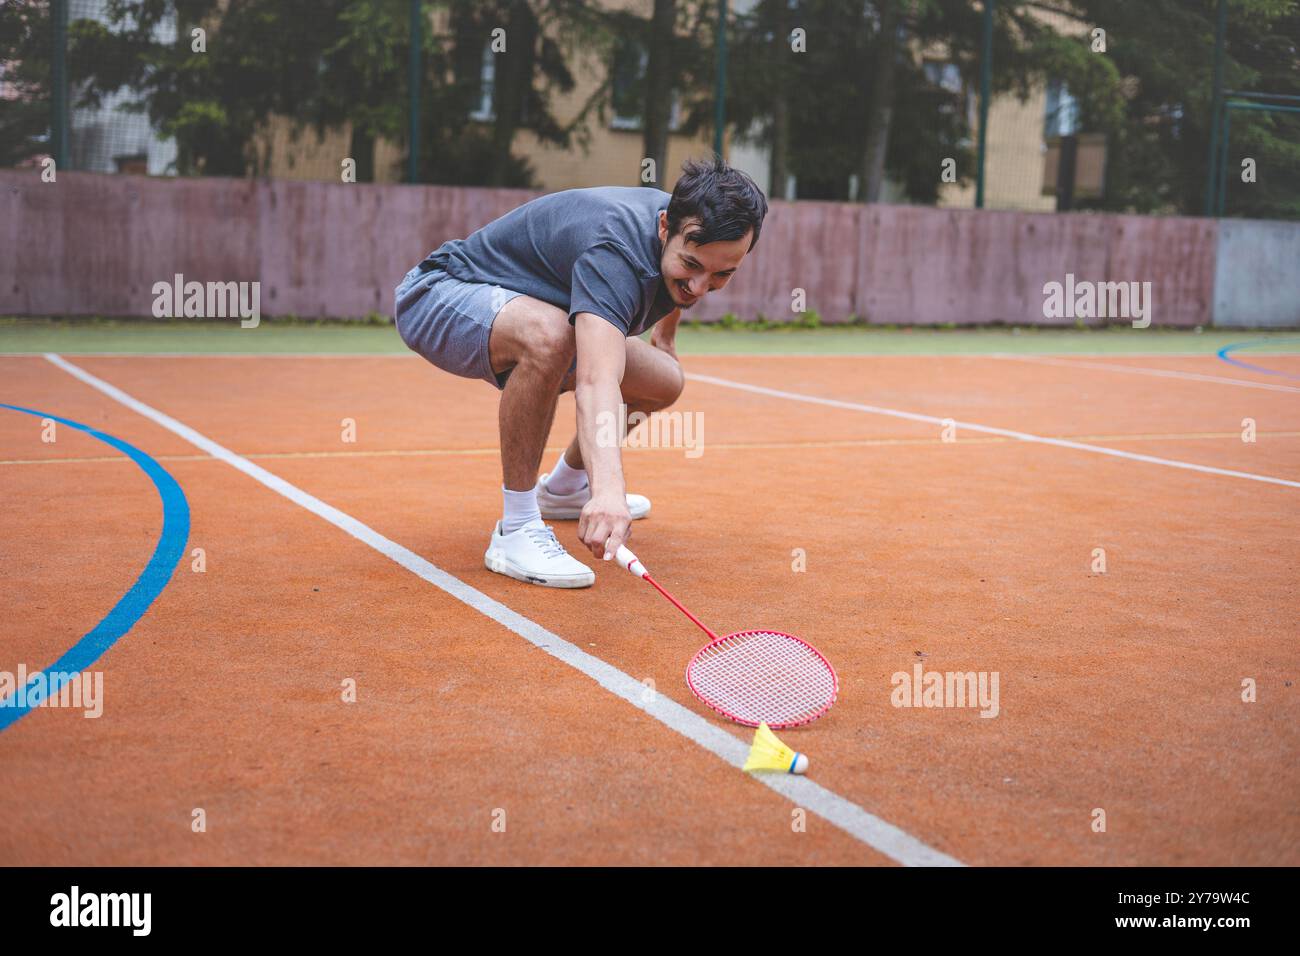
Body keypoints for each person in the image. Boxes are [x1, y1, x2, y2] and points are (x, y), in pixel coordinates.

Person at [394, 156, 768, 587]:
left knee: (665, 380)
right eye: (692, 266)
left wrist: (665, 339)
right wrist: (608, 491)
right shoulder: (615, 251)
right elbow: (596, 380)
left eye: (723, 274)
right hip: (438, 295)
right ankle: (515, 529)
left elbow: (688, 277)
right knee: (552, 337)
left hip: (524, 307)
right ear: (664, 227)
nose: (700, 287)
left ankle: (564, 489)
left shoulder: (693, 219)